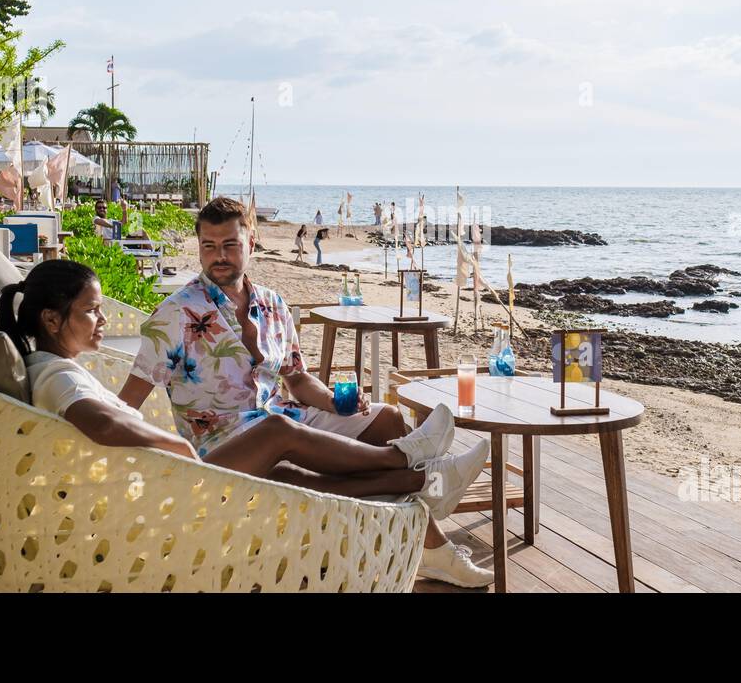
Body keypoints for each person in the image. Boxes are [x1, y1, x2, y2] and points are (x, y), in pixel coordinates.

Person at [117, 197, 494, 587]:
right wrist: (153, 460)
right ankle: (416, 469)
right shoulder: (176, 314)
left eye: (230, 244)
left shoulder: (273, 304)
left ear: (251, 240)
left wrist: (333, 402)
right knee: (280, 429)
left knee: (387, 418)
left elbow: (296, 379)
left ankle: (431, 541)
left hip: (281, 416)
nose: (219, 257)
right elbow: (128, 402)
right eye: (208, 246)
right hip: (221, 447)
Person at [0, 260, 487, 514]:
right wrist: (173, 444)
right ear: (51, 319)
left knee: (295, 479)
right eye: (91, 310)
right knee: (276, 431)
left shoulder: (50, 365)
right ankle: (402, 457)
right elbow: (98, 421)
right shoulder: (56, 374)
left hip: (159, 479)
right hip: (172, 483)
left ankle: (425, 482)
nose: (102, 320)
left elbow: (295, 377)